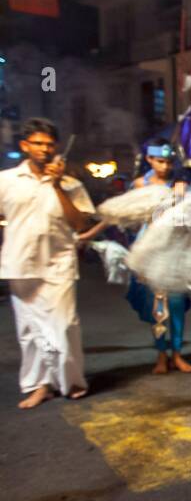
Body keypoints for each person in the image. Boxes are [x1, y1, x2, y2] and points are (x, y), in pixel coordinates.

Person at [0, 118, 96, 408]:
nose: (44, 149)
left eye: (49, 144)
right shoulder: (6, 180)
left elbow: (80, 224)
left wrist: (57, 188)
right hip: (19, 262)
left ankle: (72, 381)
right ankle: (40, 385)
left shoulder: (71, 184)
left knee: (64, 324)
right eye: (38, 143)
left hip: (58, 264)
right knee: (30, 331)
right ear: (25, 146)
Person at [123, 140, 191, 374]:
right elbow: (129, 217)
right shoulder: (139, 184)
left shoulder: (180, 185)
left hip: (174, 248)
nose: (165, 166)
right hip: (149, 249)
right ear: (149, 160)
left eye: (168, 162)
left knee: (175, 305)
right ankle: (161, 355)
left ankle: (176, 354)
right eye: (159, 161)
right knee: (156, 307)